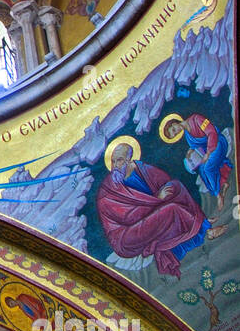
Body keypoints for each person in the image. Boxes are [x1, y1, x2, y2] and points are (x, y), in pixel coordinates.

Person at [96, 139, 227, 279]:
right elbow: (128, 216)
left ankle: (200, 221)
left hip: (152, 217)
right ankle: (205, 230)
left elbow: (165, 183)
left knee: (176, 186)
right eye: (113, 161)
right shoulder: (108, 190)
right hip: (126, 235)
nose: (115, 165)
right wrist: (158, 198)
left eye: (119, 160)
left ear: (129, 159)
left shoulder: (142, 169)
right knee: (171, 210)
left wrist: (166, 193)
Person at [161, 112, 232, 210]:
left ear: (174, 123)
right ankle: (223, 184)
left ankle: (218, 195)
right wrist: (190, 152)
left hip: (217, 143)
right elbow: (195, 145)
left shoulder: (196, 119)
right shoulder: (187, 134)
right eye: (174, 134)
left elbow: (212, 132)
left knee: (207, 168)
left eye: (173, 130)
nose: (176, 132)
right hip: (209, 150)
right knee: (202, 170)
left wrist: (208, 153)